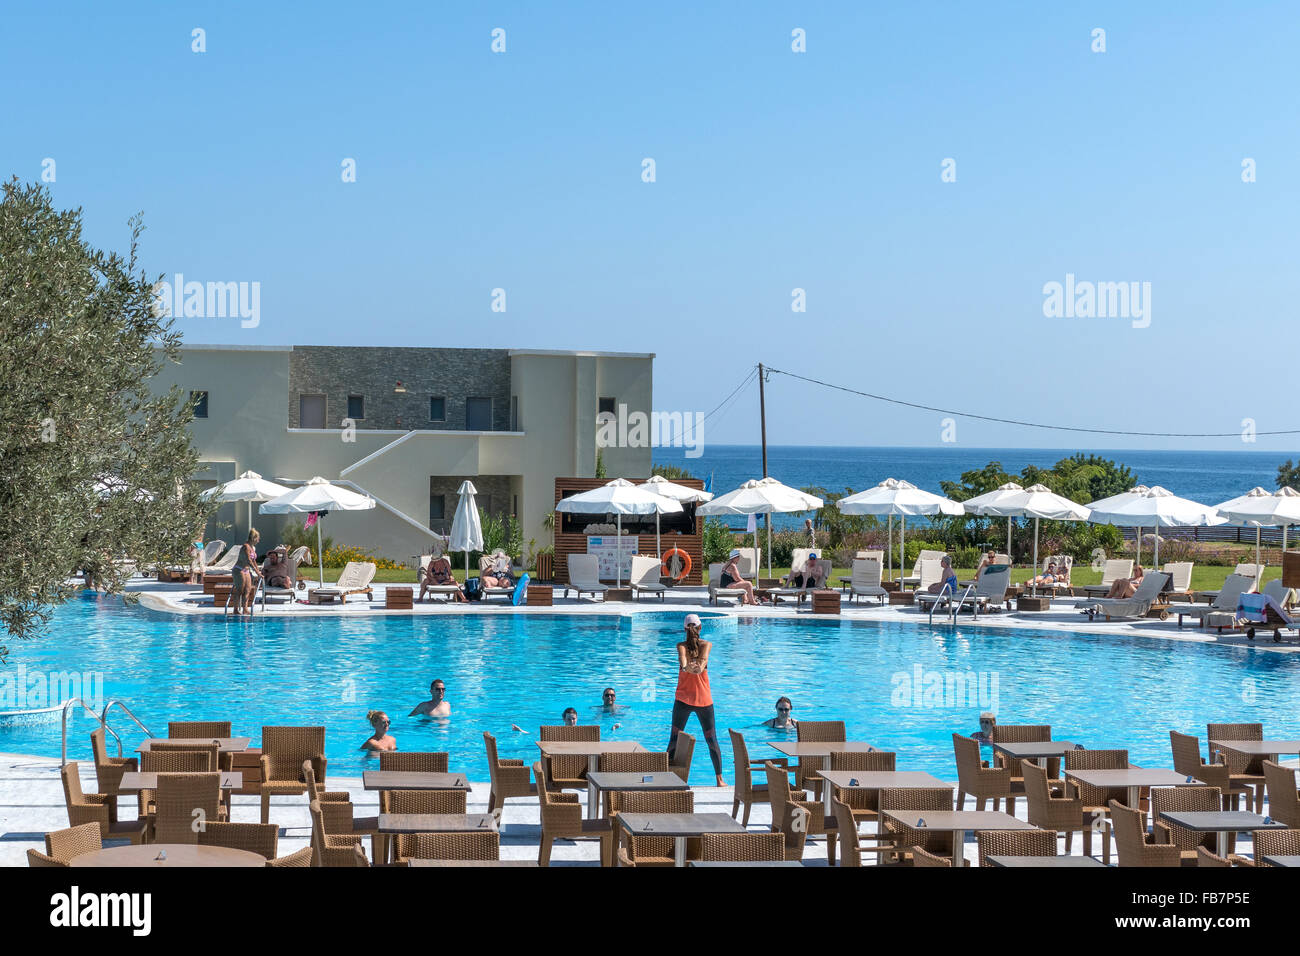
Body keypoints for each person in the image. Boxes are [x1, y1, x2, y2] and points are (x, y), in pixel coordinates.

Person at [668, 614, 725, 786]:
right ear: (700, 628)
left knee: (674, 739)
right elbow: (698, 665)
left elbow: (686, 664)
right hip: (703, 700)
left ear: (684, 629)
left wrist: (689, 668)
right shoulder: (706, 644)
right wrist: (693, 667)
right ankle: (719, 780)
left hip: (683, 699)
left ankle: (664, 776)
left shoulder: (681, 645)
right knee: (711, 739)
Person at [232, 528, 261, 615]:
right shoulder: (246, 546)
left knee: (248, 590)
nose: (258, 541)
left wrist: (259, 572)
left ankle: (245, 609)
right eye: (258, 538)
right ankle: (235, 609)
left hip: (246, 570)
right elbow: (249, 560)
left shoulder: (253, 548)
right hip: (239, 570)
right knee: (240, 590)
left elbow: (254, 560)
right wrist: (257, 572)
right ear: (254, 538)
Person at [512, 707, 578, 734]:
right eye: (569, 719)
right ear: (564, 719)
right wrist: (520, 730)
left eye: (573, 719)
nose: (572, 722)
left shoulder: (582, 732)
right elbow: (536, 735)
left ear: (577, 718)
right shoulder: (558, 732)